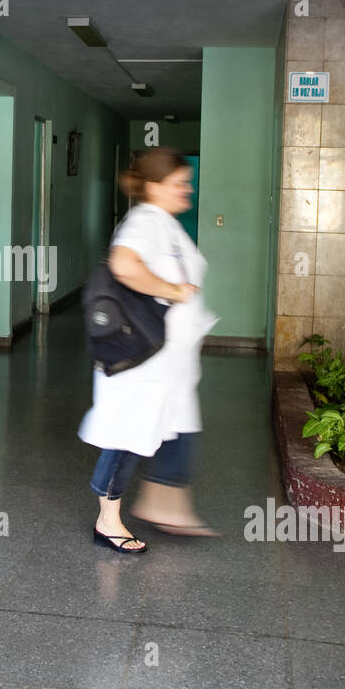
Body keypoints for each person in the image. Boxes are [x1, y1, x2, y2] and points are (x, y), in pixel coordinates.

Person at [79, 148, 219, 553]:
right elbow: (124, 265)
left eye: (187, 183)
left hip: (162, 363)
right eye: (179, 184)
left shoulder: (163, 223)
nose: (186, 191)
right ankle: (108, 521)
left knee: (158, 428)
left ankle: (165, 502)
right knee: (126, 437)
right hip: (142, 360)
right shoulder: (145, 222)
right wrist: (174, 290)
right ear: (155, 187)